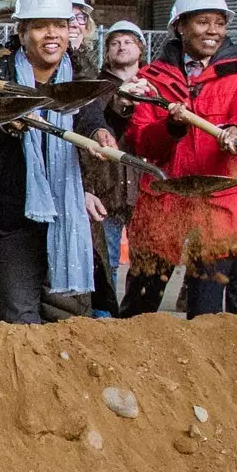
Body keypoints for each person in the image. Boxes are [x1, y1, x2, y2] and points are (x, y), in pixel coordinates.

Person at [0, 0, 103, 323]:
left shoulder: (75, 79)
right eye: (40, 26)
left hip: (27, 225)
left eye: (60, 26)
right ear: (21, 32)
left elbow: (90, 116)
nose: (53, 34)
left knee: (20, 320)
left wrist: (101, 134)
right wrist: (5, 122)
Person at [120, 0, 237, 317]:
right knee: (139, 305)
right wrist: (172, 128)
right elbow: (142, 141)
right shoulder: (151, 78)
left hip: (219, 203)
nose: (213, 31)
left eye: (219, 23)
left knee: (206, 310)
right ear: (180, 26)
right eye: (203, 22)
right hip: (165, 200)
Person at [86, 19, 150, 306]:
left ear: (141, 48)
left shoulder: (154, 86)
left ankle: (136, 319)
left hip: (145, 189)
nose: (121, 46)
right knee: (106, 260)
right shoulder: (97, 86)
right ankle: (106, 317)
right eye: (115, 42)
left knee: (146, 264)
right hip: (107, 187)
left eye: (128, 41)